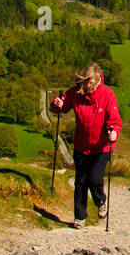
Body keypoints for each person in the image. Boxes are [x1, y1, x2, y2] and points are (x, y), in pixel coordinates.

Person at [49, 62, 122, 228]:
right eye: (84, 83)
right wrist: (57, 104)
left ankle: (100, 200)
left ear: (97, 80)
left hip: (102, 146)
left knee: (94, 178)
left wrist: (114, 133)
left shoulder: (107, 95)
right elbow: (59, 107)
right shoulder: (76, 92)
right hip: (82, 145)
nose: (87, 87)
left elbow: (115, 121)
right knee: (80, 181)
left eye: (90, 83)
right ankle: (79, 217)